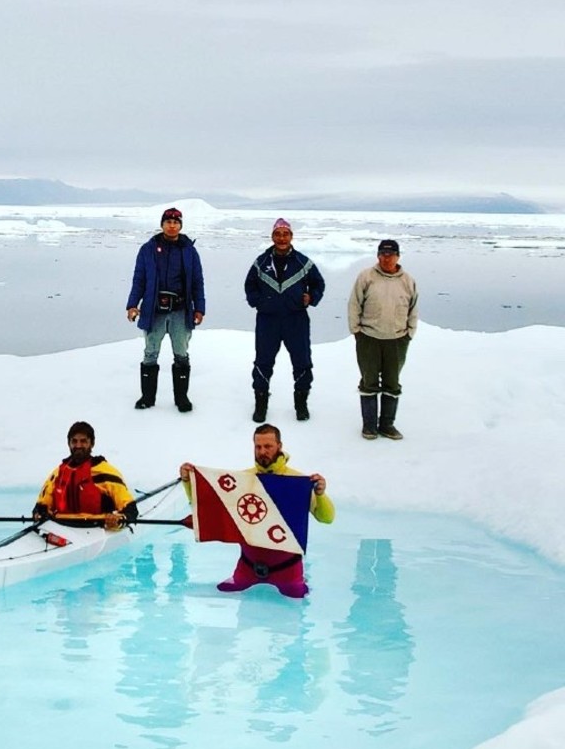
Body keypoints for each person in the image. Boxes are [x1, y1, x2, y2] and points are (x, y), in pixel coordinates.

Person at [179, 424, 333, 598]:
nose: (262, 451)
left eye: (268, 446)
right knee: (224, 594)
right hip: (248, 568)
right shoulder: (242, 480)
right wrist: (188, 481)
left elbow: (327, 518)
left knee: (297, 604)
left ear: (279, 446)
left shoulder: (298, 482)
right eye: (258, 447)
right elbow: (206, 506)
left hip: (288, 571)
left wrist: (320, 495)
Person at [244, 217, 325, 423]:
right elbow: (250, 286)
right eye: (278, 234)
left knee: (302, 362)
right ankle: (261, 405)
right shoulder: (261, 262)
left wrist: (311, 297)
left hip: (296, 320)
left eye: (285, 234)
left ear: (291, 236)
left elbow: (318, 283)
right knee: (263, 362)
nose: (281, 238)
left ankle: (301, 405)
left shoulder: (303, 262)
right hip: (268, 321)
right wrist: (258, 302)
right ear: (272, 237)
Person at [125, 206, 206, 412]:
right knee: (150, 352)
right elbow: (139, 279)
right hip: (154, 310)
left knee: (181, 353)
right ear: (162, 224)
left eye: (176, 222)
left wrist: (200, 308)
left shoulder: (189, 251)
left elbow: (197, 281)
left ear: (180, 225)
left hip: (180, 310)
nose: (172, 226)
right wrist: (132, 305)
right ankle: (147, 398)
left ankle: (182, 399)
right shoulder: (148, 249)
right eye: (168, 222)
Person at [348, 238, 418, 440]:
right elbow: (354, 304)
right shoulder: (366, 277)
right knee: (369, 382)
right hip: (369, 338)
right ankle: (369, 426)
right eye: (383, 254)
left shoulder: (408, 281)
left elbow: (413, 308)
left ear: (398, 256)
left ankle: (387, 425)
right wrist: (357, 331)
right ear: (378, 256)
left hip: (397, 340)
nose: (387, 258)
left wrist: (409, 333)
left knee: (392, 383)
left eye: (391, 254)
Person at [32, 421, 139, 529]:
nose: (78, 445)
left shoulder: (105, 472)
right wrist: (39, 513)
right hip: (61, 526)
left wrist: (120, 519)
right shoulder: (58, 474)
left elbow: (130, 509)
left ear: (92, 444)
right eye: (74, 441)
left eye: (83, 441)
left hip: (96, 526)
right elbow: (41, 506)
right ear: (69, 444)